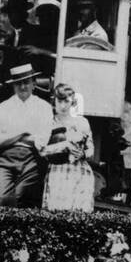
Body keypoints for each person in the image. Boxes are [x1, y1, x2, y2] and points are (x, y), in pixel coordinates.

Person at [0, 63, 53, 207]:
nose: (23, 87)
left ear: (34, 84)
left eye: (26, 82)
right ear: (13, 86)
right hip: (3, 160)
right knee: (3, 198)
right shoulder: (3, 108)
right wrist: (22, 132)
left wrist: (8, 137)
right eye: (18, 83)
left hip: (30, 160)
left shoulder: (44, 108)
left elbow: (41, 141)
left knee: (20, 199)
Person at [39, 82, 95, 211]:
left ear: (73, 102)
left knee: (79, 214)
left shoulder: (82, 122)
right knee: (57, 212)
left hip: (80, 172)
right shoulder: (49, 122)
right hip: (58, 171)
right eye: (59, 101)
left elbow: (91, 149)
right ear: (54, 101)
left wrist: (83, 154)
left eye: (67, 101)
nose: (63, 106)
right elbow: (41, 151)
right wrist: (64, 146)